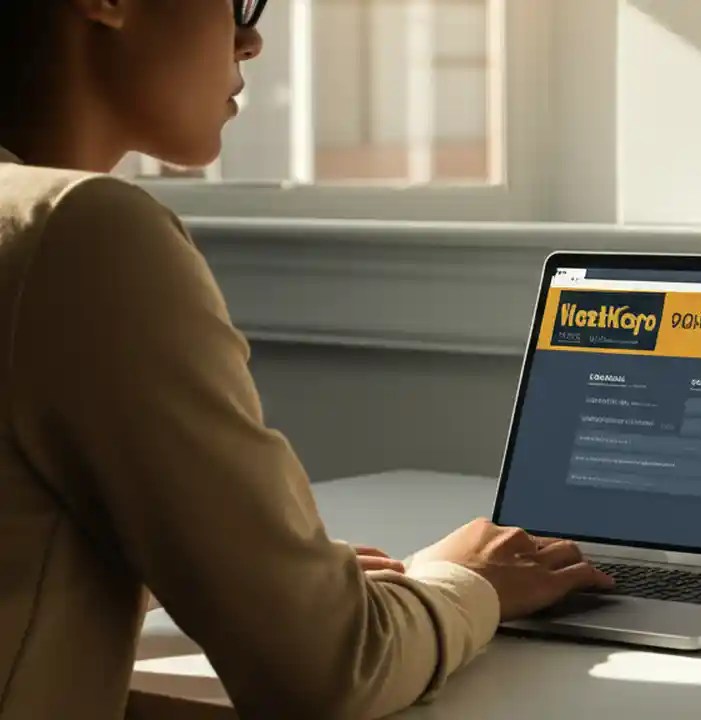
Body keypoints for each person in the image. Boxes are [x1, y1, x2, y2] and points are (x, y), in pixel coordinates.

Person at [0, 0, 612, 718]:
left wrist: (228, 569)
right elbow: (331, 669)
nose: (250, 40)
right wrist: (465, 579)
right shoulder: (81, 234)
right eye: (237, 3)